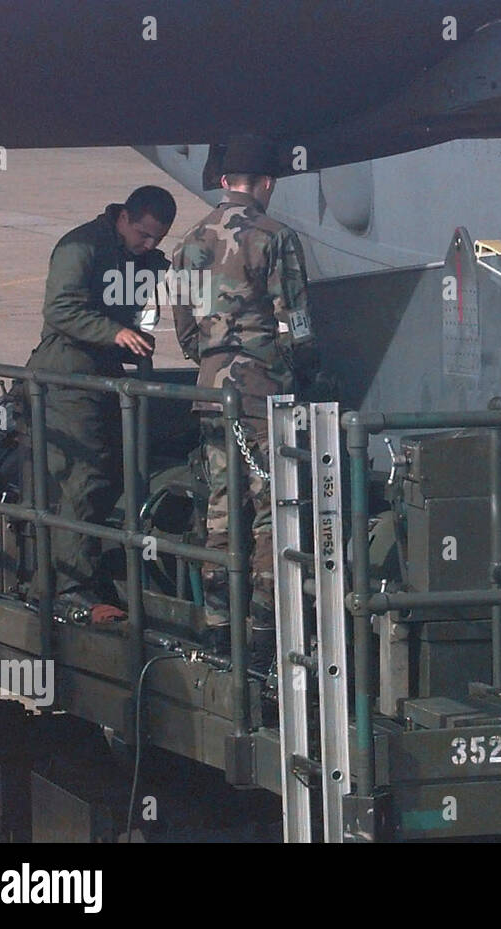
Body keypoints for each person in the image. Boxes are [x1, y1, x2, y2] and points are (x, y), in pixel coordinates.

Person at [170, 134, 319, 654]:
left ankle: (217, 621)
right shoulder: (276, 236)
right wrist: (305, 370)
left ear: (223, 182)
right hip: (263, 393)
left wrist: (213, 362)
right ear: (267, 184)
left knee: (220, 504)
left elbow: (184, 326)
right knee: (271, 507)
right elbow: (294, 320)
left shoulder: (190, 240)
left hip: (213, 393)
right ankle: (263, 627)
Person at [21, 186, 177, 623]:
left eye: (157, 239)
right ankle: (69, 589)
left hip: (102, 374)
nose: (148, 244)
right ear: (124, 217)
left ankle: (80, 575)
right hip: (67, 376)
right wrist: (114, 333)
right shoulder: (82, 247)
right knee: (81, 477)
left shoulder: (137, 257)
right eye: (143, 235)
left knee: (108, 474)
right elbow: (60, 309)